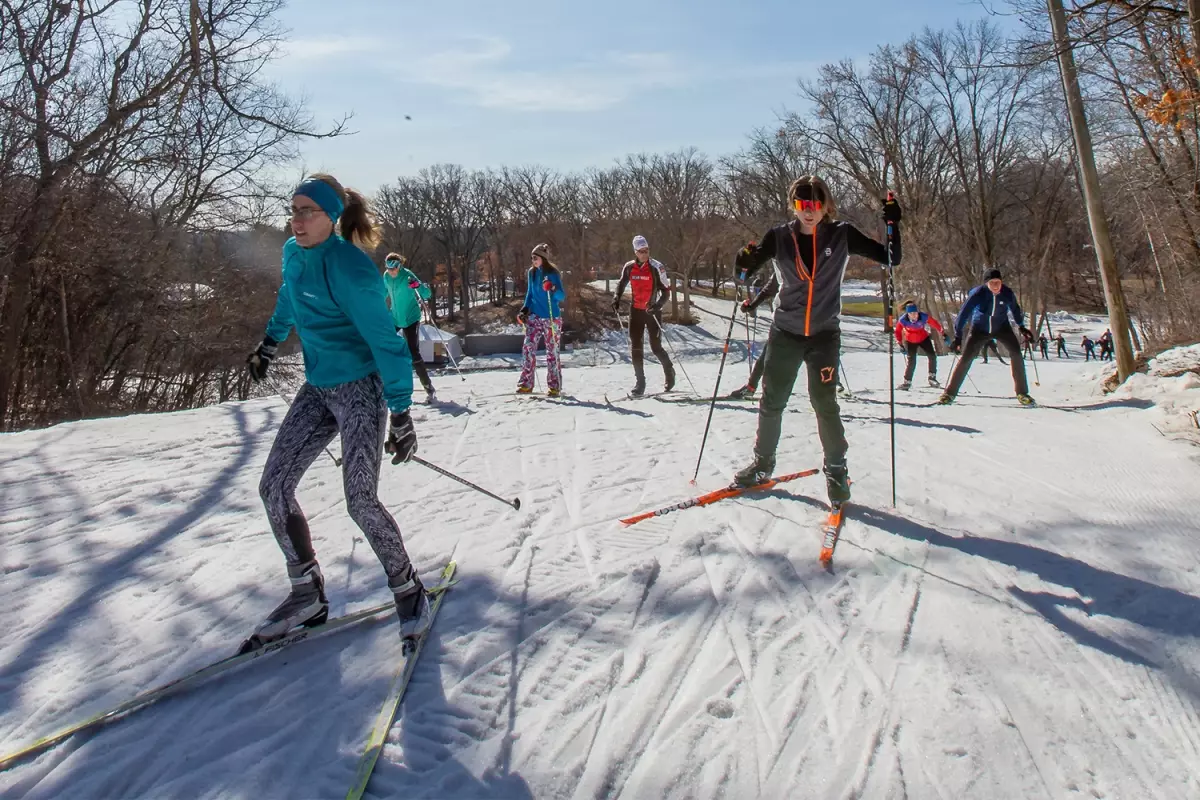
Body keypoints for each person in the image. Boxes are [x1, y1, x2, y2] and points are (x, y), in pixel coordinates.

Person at [243, 173, 428, 652]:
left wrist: (402, 412)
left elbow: (387, 341)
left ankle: (409, 589)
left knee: (360, 501)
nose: (296, 219)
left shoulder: (352, 268)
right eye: (294, 209)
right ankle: (306, 593)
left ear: (332, 217)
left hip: (361, 390)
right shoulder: (292, 253)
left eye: (307, 211)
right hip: (319, 386)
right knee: (273, 487)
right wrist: (269, 342)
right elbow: (289, 297)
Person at [731, 175, 901, 510]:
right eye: (801, 205)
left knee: (824, 404)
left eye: (814, 205)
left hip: (824, 334)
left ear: (825, 205)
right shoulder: (779, 237)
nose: (808, 212)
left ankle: (836, 471)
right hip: (785, 333)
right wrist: (743, 261)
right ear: (794, 206)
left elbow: (891, 259)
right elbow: (742, 274)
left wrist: (893, 221)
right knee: (772, 401)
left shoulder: (841, 235)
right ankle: (762, 464)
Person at [937, 268, 1034, 406]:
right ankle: (949, 394)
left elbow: (1015, 309)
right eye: (992, 282)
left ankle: (1022, 393)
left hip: (1001, 327)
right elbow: (963, 314)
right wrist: (958, 336)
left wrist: (1021, 326)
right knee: (967, 358)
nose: (995, 285)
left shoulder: (1007, 293)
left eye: (998, 282)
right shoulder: (979, 294)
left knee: (1016, 353)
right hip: (979, 329)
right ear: (986, 283)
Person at [612, 235, 675, 396]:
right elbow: (621, 283)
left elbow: (666, 292)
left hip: (652, 311)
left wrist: (658, 305)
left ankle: (669, 373)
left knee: (655, 347)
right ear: (635, 252)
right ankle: (640, 382)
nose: (644, 254)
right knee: (636, 347)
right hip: (636, 311)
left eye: (646, 250)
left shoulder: (656, 267)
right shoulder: (629, 267)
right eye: (641, 251)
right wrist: (616, 298)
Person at [383, 253, 436, 404]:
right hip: (395, 317)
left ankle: (429, 388)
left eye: (394, 268)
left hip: (411, 319)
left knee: (414, 353)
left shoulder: (407, 276)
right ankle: (384, 385)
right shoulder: (386, 277)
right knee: (383, 346)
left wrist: (417, 285)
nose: (392, 272)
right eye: (389, 268)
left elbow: (427, 293)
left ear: (400, 266)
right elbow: (383, 293)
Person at [517, 243, 566, 396]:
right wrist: (525, 309)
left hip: (552, 318)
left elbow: (561, 296)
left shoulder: (553, 273)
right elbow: (530, 294)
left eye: (535, 257)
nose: (533, 260)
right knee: (528, 348)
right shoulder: (531, 273)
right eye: (532, 258)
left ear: (543, 258)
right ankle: (526, 383)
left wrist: (552, 288)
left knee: (552, 351)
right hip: (535, 316)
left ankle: (554, 385)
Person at [728, 272, 779, 399]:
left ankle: (832, 386)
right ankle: (751, 387)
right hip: (786, 325)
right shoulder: (783, 259)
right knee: (766, 357)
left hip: (817, 324)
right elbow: (770, 288)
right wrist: (752, 305)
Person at [893, 301, 944, 390]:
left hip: (923, 338)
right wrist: (900, 343)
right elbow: (897, 331)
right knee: (912, 361)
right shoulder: (903, 320)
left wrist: (942, 332)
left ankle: (932, 378)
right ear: (908, 314)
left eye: (915, 313)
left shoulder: (923, 317)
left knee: (932, 356)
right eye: (911, 313)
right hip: (910, 341)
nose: (914, 315)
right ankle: (907, 382)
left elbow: (934, 323)